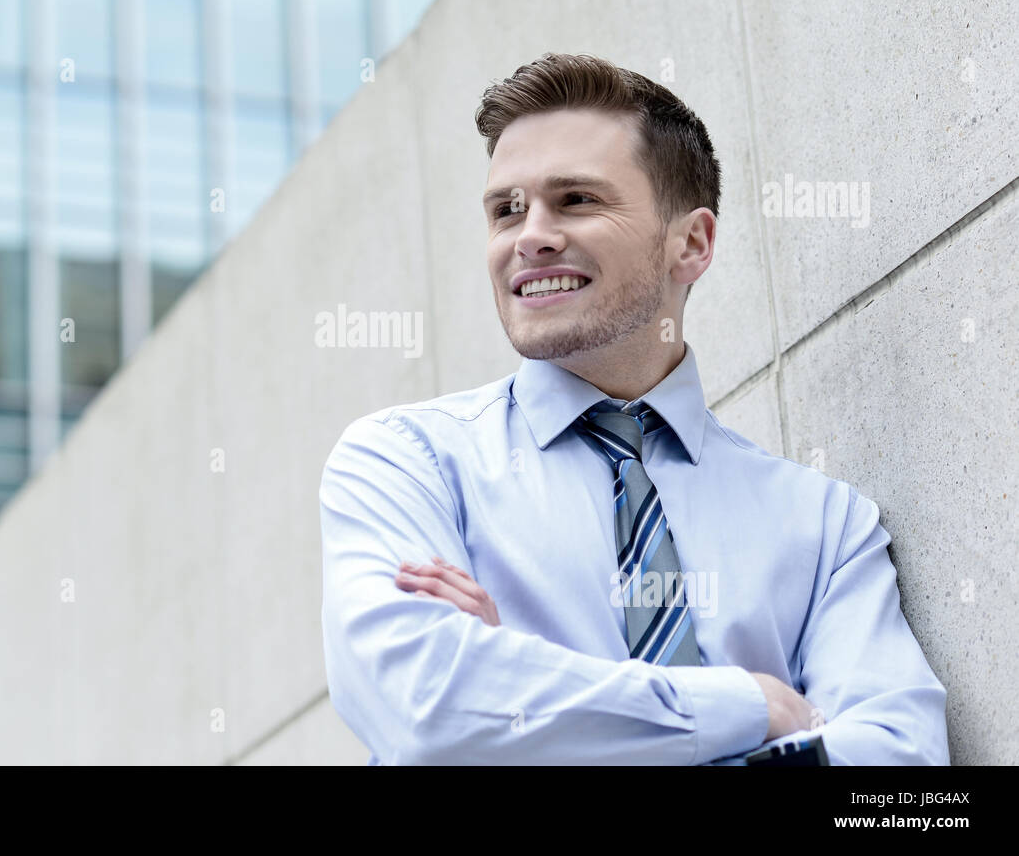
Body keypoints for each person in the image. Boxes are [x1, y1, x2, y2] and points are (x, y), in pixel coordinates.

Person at [317, 53, 949, 765]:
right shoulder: (406, 462)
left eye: (577, 200)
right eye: (506, 210)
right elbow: (427, 707)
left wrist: (522, 699)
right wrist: (753, 706)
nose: (530, 236)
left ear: (692, 242)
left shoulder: (825, 526)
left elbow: (904, 779)